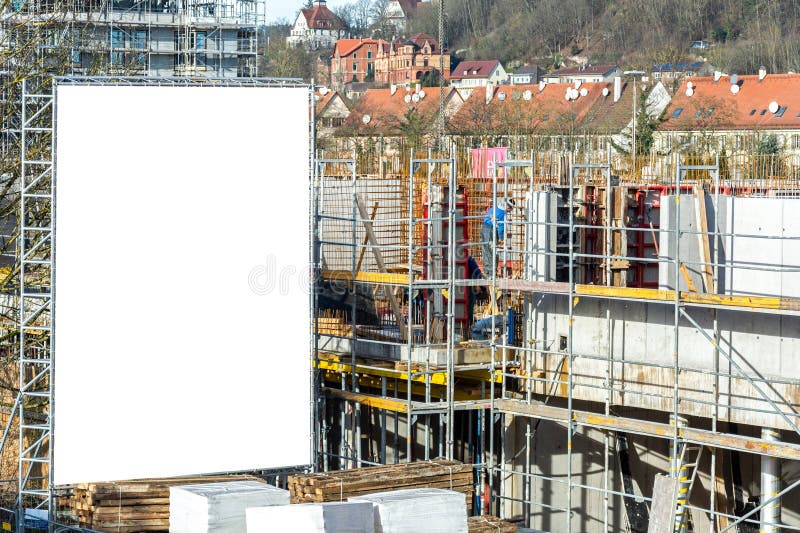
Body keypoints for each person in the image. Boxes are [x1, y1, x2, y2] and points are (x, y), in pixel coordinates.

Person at [481, 198, 516, 278]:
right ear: (508, 207)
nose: (509, 211)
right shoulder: (502, 214)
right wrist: (501, 238)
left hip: (484, 229)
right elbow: (501, 228)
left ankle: (488, 273)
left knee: (486, 251)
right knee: (492, 252)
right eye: (510, 209)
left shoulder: (493, 209)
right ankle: (491, 273)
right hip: (491, 231)